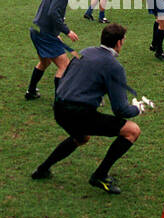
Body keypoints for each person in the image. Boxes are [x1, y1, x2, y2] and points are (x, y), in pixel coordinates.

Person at [30, 22, 148, 194]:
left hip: (59, 107)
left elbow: (72, 77)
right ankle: (100, 175)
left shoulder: (86, 51)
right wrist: (137, 109)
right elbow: (120, 110)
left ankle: (42, 169)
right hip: (79, 113)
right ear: (119, 43)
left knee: (81, 137)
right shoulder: (114, 67)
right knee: (132, 130)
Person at [25, 0, 82, 100]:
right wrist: (67, 31)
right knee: (64, 65)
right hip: (44, 34)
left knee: (45, 63)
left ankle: (31, 91)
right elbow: (53, 13)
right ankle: (59, 101)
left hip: (38, 30)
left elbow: (47, 11)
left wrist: (55, 33)